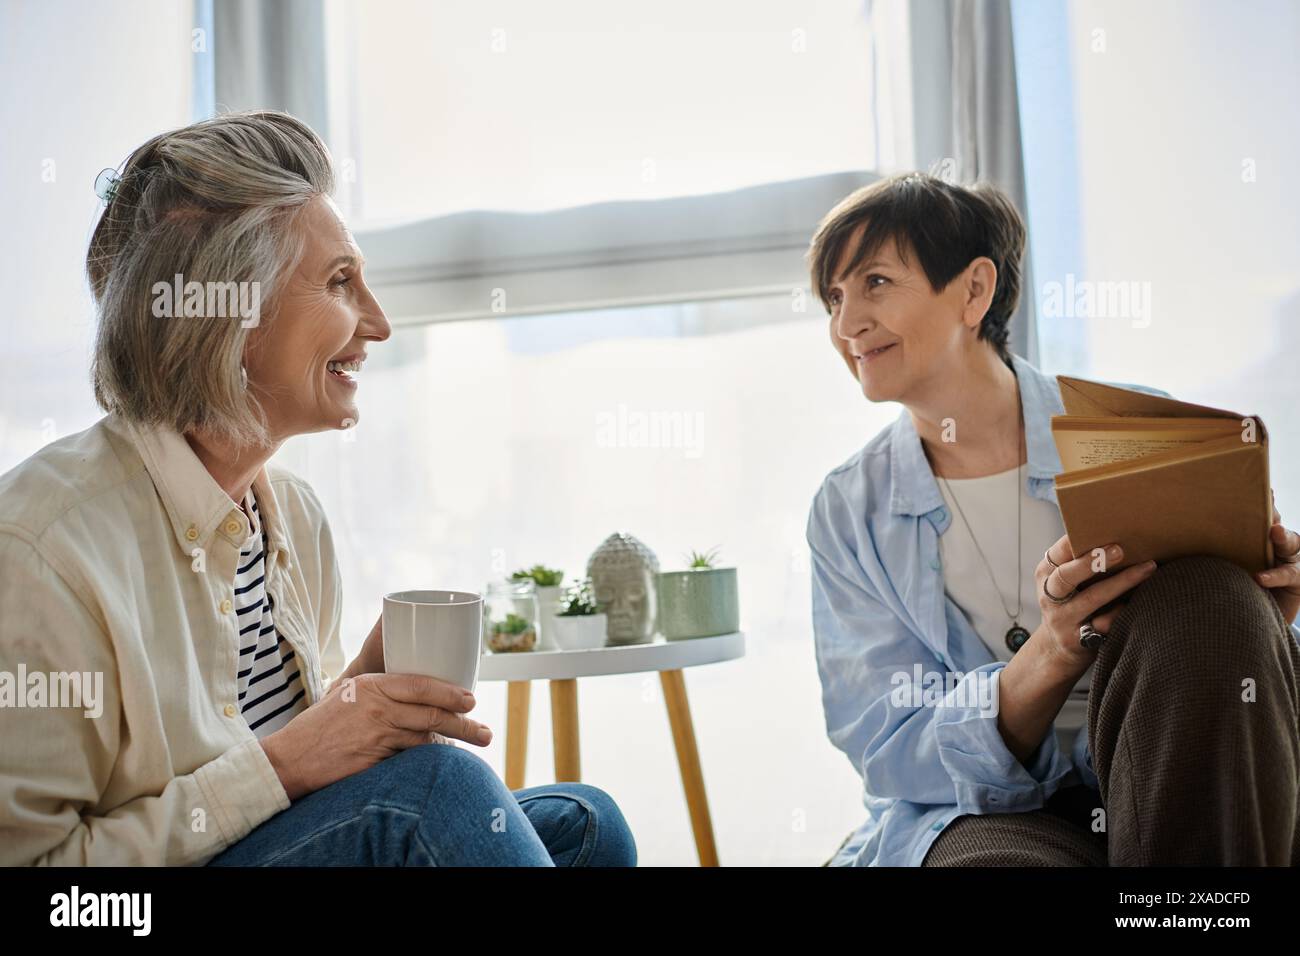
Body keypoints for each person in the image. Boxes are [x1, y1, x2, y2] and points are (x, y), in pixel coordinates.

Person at [0, 111, 636, 867]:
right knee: (441, 796)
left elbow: (289, 803)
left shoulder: (291, 515)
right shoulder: (41, 549)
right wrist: (292, 763)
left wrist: (352, 707)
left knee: (587, 823)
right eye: (341, 283)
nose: (379, 323)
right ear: (229, 315)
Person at [805, 173, 1300, 866]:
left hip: (1165, 770)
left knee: (1215, 602)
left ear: (974, 291)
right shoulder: (848, 511)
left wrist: (1264, 612)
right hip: (987, 812)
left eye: (875, 283)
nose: (845, 323)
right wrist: (1052, 651)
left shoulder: (1138, 434)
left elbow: (1232, 677)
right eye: (834, 297)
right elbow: (890, 754)